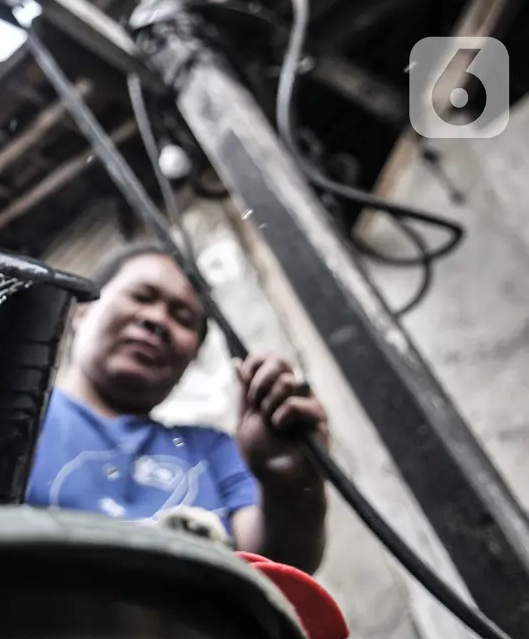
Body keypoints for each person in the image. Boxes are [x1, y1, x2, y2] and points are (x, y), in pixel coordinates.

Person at [26, 241, 330, 573]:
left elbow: (279, 568)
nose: (157, 320)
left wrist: (291, 484)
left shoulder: (216, 452)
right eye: (141, 297)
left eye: (183, 318)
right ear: (81, 311)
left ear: (192, 358)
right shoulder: (14, 416)